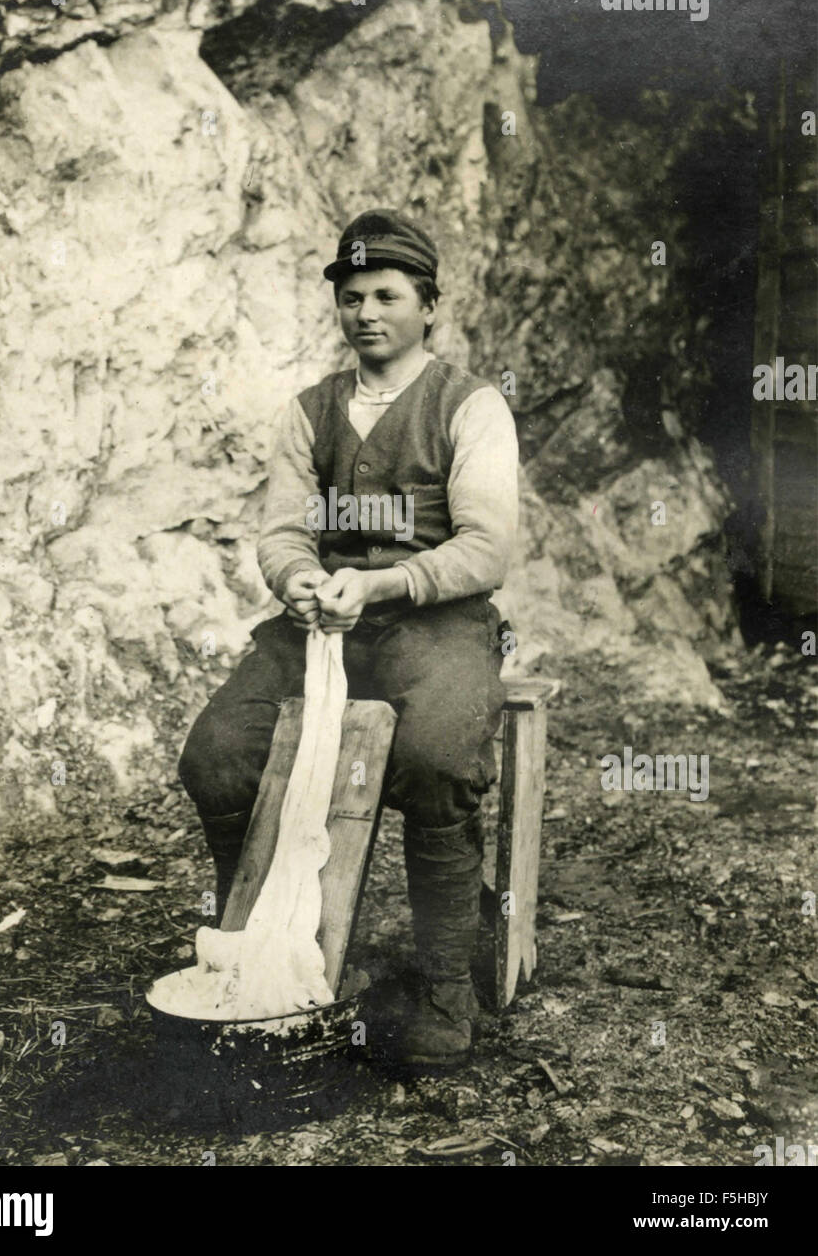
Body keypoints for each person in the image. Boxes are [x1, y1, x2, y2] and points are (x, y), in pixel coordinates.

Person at [178, 208, 519, 1068]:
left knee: (439, 760)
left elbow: (486, 547)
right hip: (322, 627)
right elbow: (282, 531)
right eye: (352, 297)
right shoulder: (308, 411)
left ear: (429, 307)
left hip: (433, 625)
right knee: (217, 755)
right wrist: (297, 578)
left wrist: (385, 581)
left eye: (388, 296)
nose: (367, 313)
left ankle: (447, 987)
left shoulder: (469, 405)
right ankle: (257, 947)